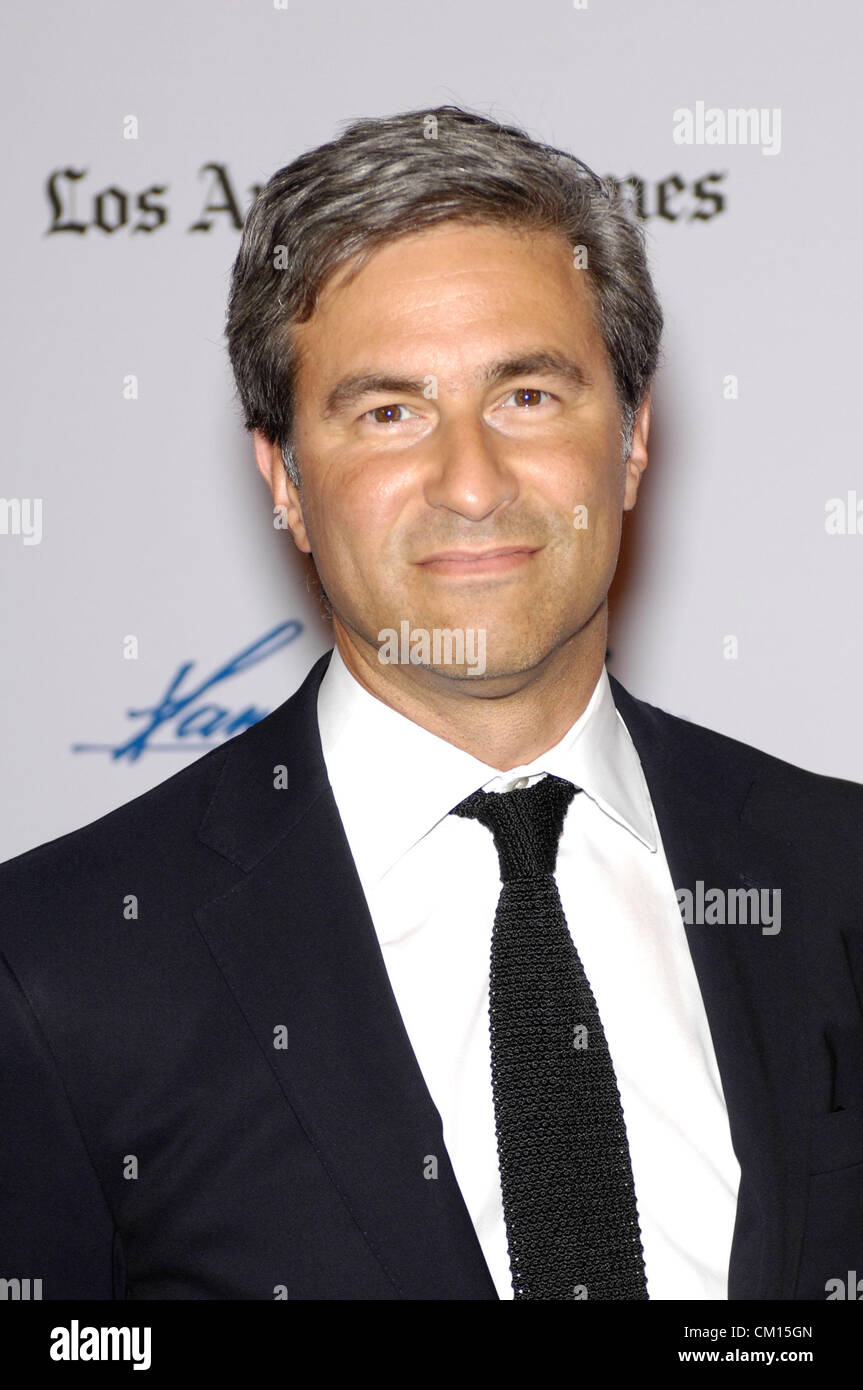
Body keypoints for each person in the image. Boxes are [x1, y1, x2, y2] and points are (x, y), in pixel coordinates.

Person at [2, 105, 862, 1302]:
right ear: (284, 480)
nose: (470, 483)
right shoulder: (60, 960)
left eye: (525, 395)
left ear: (629, 442)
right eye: (388, 412)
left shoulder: (836, 874)